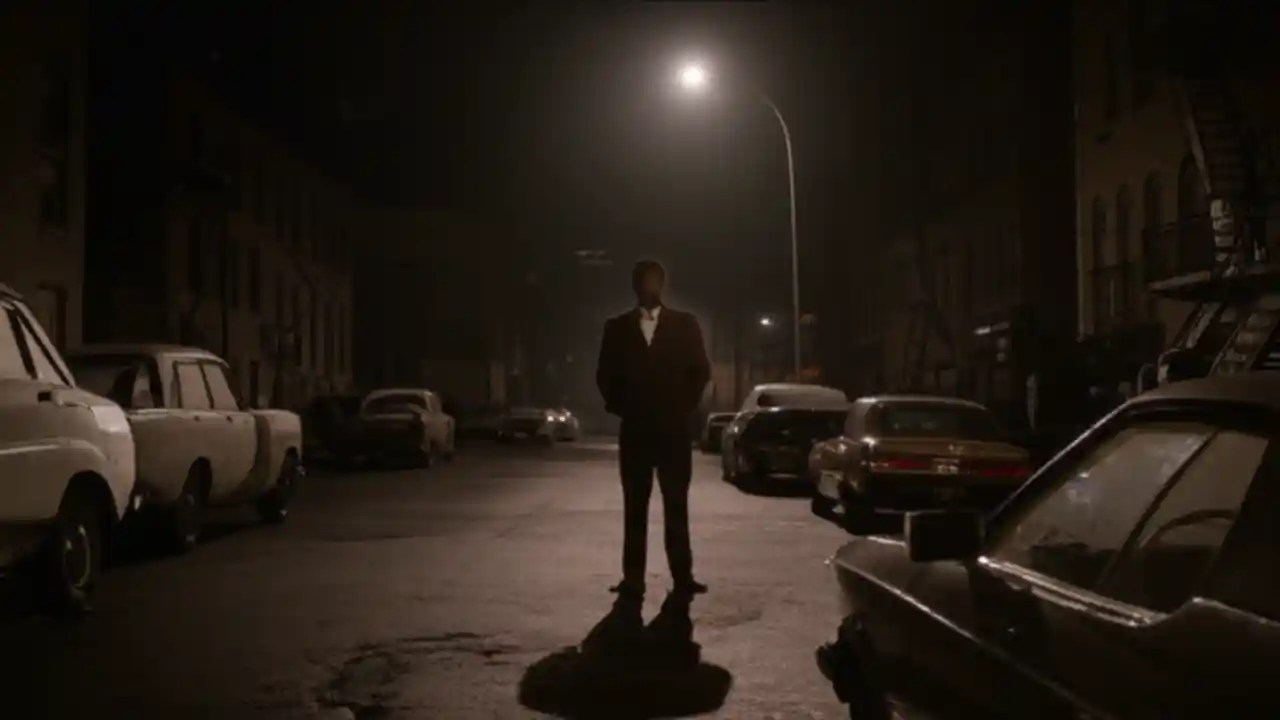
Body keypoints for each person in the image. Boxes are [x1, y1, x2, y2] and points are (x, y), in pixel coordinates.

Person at [596, 259, 711, 599]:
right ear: (634, 286)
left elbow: (699, 371)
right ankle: (633, 580)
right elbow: (605, 375)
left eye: (653, 279)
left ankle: (682, 577)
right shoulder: (616, 327)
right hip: (635, 431)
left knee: (676, 505)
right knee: (635, 507)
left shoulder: (685, 324)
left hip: (673, 430)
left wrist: (682, 407)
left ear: (662, 284)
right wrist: (624, 407)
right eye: (642, 280)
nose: (647, 286)